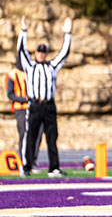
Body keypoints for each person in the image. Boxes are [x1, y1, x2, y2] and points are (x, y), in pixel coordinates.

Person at [18, 16, 72, 178]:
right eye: (38, 51)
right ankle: (26, 166)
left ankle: (53, 168)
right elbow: (21, 50)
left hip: (49, 105)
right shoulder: (30, 65)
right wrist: (23, 31)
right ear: (35, 53)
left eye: (43, 52)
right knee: (30, 136)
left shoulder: (52, 66)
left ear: (46, 54)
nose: (41, 54)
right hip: (34, 105)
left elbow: (64, 53)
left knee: (51, 137)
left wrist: (68, 34)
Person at [6, 60, 43, 174]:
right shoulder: (13, 74)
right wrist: (24, 99)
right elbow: (10, 94)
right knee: (25, 134)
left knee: (38, 133)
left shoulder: (33, 71)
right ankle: (24, 162)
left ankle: (33, 161)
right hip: (21, 108)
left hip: (34, 108)